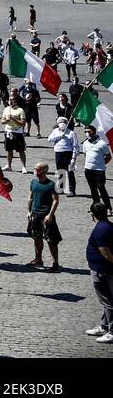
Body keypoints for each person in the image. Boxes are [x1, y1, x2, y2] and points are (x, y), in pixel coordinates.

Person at [85, 202, 113, 344]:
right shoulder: (108, 226)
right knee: (106, 300)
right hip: (102, 269)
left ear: (92, 214)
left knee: (108, 301)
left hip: (101, 271)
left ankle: (111, 332)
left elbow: (106, 253)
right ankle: (104, 325)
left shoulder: (100, 230)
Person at [27, 163, 62, 271]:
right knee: (36, 237)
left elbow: (55, 200)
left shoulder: (51, 185)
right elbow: (30, 197)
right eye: (35, 169)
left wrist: (50, 215)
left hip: (46, 216)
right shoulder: (33, 182)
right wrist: (29, 211)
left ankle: (55, 263)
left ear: (44, 171)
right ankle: (38, 259)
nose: (35, 171)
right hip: (35, 215)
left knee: (51, 240)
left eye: (37, 169)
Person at [83, 123, 111, 209]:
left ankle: (108, 207)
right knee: (93, 189)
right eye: (85, 131)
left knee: (101, 188)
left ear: (94, 132)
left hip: (99, 170)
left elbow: (108, 157)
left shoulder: (102, 143)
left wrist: (101, 163)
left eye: (89, 131)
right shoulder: (85, 143)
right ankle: (96, 206)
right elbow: (85, 154)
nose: (87, 133)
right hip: (88, 170)